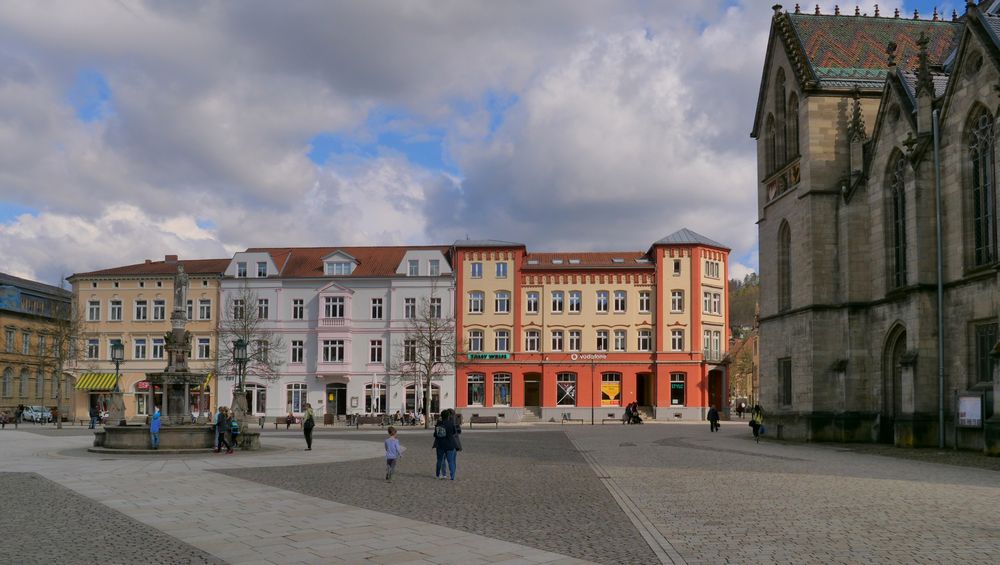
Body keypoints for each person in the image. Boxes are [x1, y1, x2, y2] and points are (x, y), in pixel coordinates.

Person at [433, 409, 461, 480]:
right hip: (450, 444)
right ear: (448, 416)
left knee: (439, 460)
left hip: (440, 444)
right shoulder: (451, 423)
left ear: (441, 416)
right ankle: (452, 476)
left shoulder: (439, 423)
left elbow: (435, 434)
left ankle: (438, 474)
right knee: (451, 461)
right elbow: (454, 432)